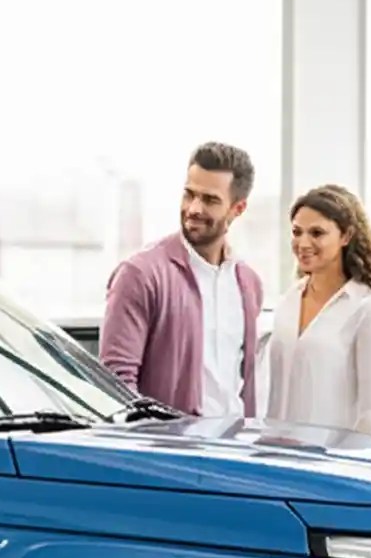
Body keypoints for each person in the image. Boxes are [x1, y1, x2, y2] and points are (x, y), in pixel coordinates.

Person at [100, 141, 264, 417]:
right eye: (189, 194)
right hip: (171, 453)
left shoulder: (249, 284)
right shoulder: (140, 275)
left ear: (238, 208)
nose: (194, 209)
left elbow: (243, 384)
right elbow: (116, 385)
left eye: (210, 200)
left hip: (233, 449)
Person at [265, 184, 371, 434]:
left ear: (346, 236)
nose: (303, 243)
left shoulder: (369, 311)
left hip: (330, 464)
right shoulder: (288, 301)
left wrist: (344, 466)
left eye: (317, 233)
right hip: (277, 459)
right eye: (297, 232)